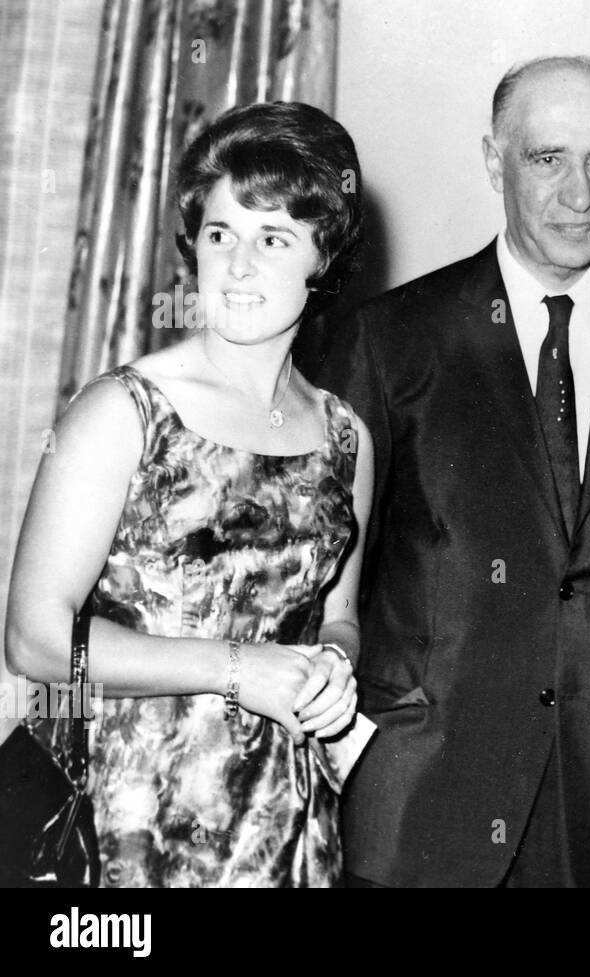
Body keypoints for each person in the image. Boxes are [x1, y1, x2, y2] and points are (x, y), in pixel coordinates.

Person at [314, 55, 590, 888]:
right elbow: (330, 574)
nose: (579, 193)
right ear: (495, 161)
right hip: (416, 799)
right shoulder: (393, 340)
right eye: (547, 158)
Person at [4, 101, 372, 887]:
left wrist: (333, 668)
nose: (237, 266)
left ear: (323, 256)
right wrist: (237, 667)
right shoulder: (121, 413)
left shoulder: (346, 439)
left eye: (272, 239)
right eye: (219, 234)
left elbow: (338, 615)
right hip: (119, 813)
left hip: (281, 823)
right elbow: (34, 641)